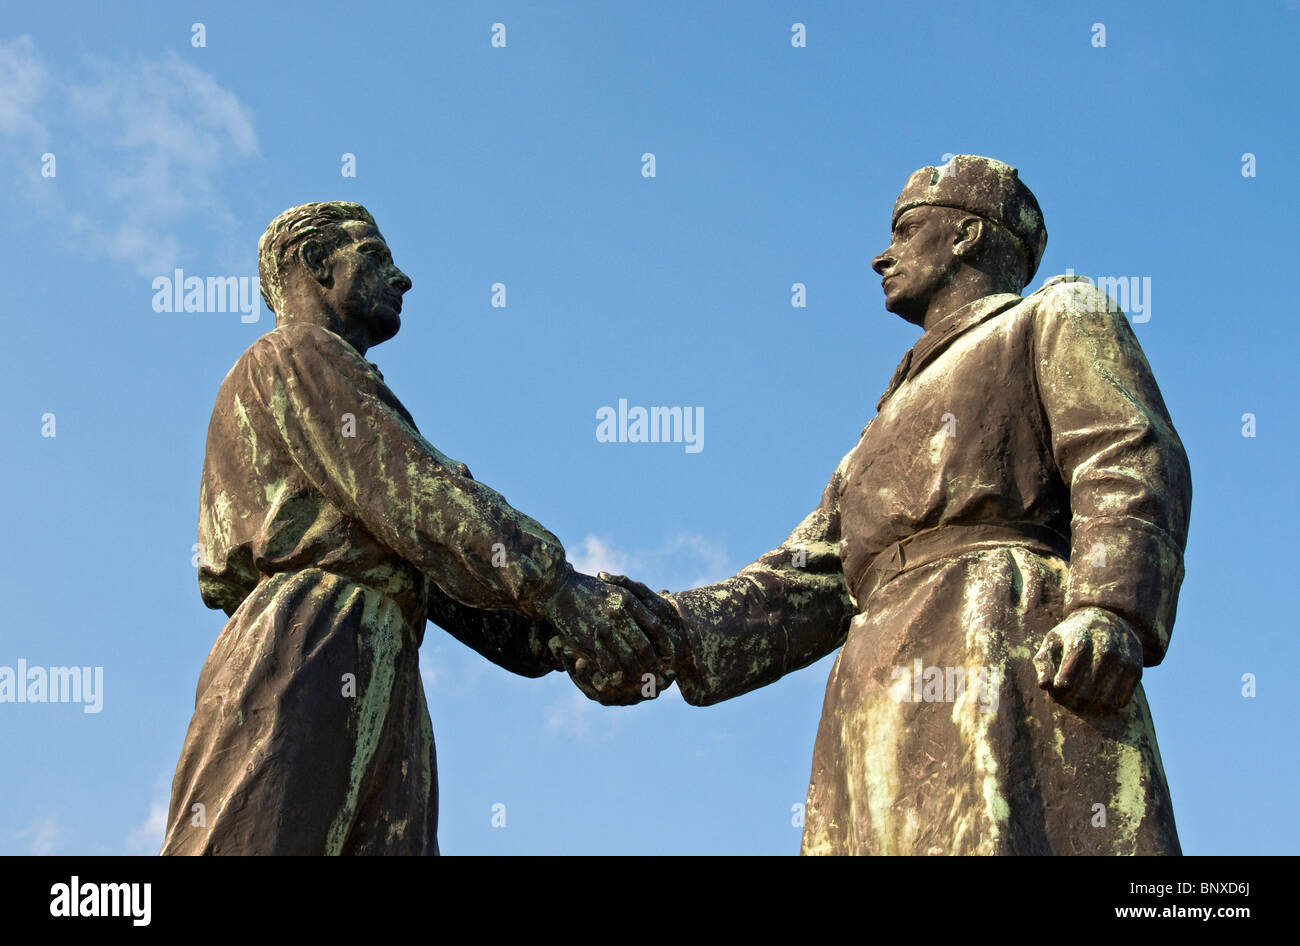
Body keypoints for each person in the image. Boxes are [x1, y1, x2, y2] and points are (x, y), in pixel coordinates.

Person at [608, 156, 1192, 855]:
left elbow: (1123, 453)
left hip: (999, 639)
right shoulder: (877, 428)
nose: (882, 256)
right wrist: (663, 630)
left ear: (968, 234)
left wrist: (1109, 607)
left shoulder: (1053, 316)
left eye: (907, 229)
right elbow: (806, 578)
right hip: (875, 687)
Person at [161, 201, 671, 855]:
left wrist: (557, 639)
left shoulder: (317, 377)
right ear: (317, 263)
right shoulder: (294, 353)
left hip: (371, 643)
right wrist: (560, 590)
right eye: (374, 256)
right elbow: (414, 491)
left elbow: (427, 557)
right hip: (309, 641)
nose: (402, 278)